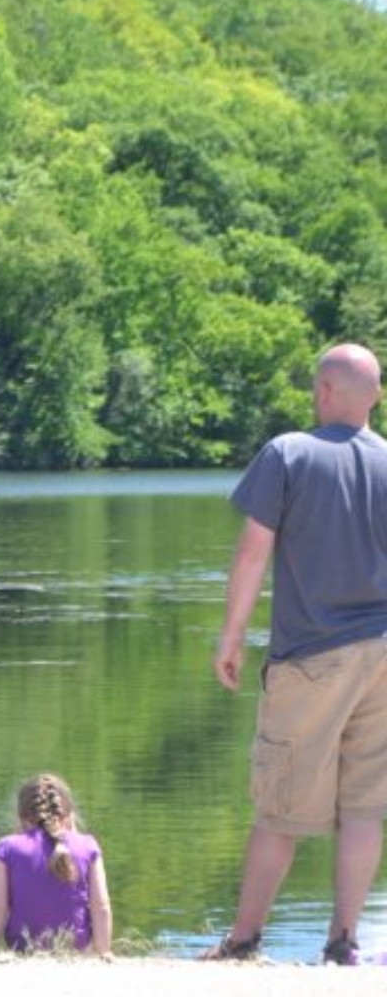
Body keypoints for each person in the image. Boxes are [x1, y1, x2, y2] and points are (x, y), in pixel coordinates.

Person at [206, 342, 387, 966]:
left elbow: (253, 552)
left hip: (313, 656)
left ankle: (244, 941)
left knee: (280, 807)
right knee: (365, 807)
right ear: (377, 397)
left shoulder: (287, 452)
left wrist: (231, 637)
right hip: (384, 655)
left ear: (322, 391)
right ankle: (343, 944)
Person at [0, 773, 112, 957]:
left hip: (23, 947)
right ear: (68, 815)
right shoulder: (88, 845)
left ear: (21, 816)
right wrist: (104, 952)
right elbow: (101, 906)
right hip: (75, 947)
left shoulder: (7, 847)